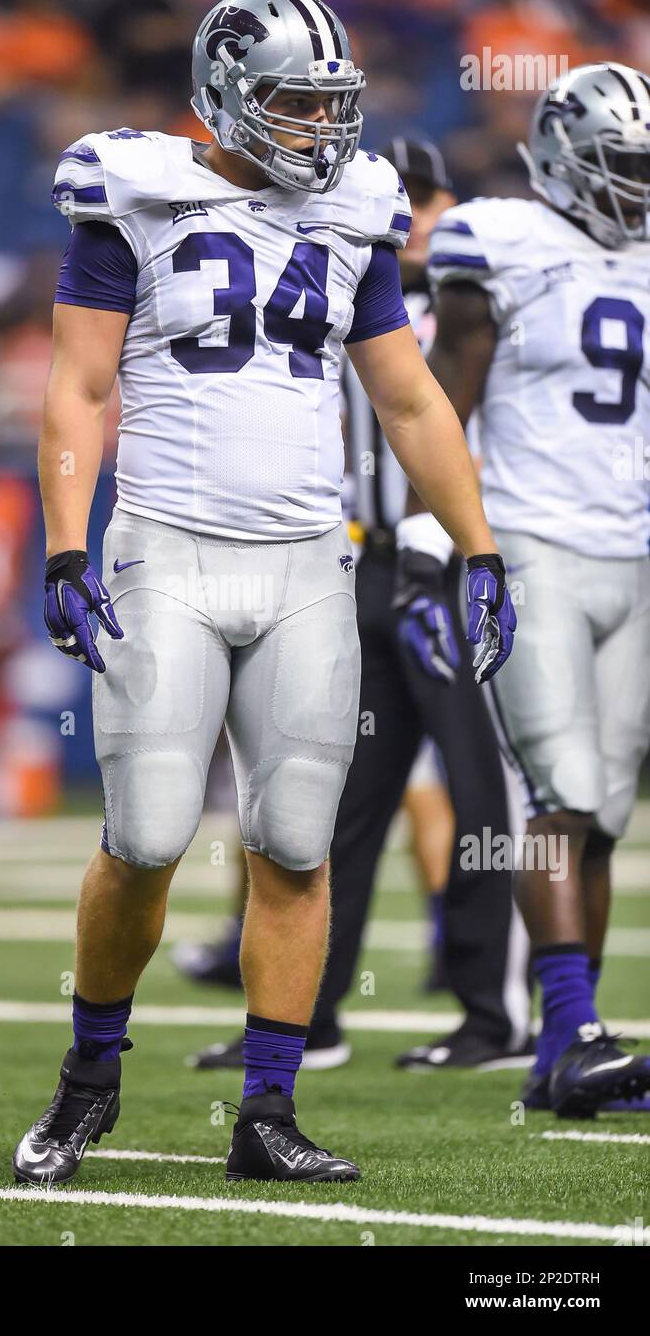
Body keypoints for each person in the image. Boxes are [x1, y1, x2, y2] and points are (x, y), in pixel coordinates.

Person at [12, 0, 514, 1188]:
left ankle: (269, 1111)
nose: (317, 125)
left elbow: (406, 398)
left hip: (304, 561)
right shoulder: (129, 193)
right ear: (226, 88)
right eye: (294, 98)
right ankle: (88, 1081)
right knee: (143, 837)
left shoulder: (351, 210)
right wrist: (68, 545)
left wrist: (479, 544)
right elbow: (81, 389)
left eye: (331, 102)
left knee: (294, 844)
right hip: (167, 549)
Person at [191, 139, 531, 1076]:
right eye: (403, 199)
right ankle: (309, 1019)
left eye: (427, 199)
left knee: (477, 790)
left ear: (451, 205)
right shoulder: (346, 278)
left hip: (451, 566)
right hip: (360, 565)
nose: (413, 216)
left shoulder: (477, 299)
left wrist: (458, 554)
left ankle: (492, 1016)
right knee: (334, 800)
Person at [403, 63, 650, 1116]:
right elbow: (441, 401)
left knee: (601, 812)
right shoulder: (499, 242)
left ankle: (565, 1050)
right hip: (528, 543)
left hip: (631, 554)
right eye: (622, 164)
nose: (636, 185)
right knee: (554, 791)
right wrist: (432, 542)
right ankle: (571, 1029)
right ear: (561, 158)